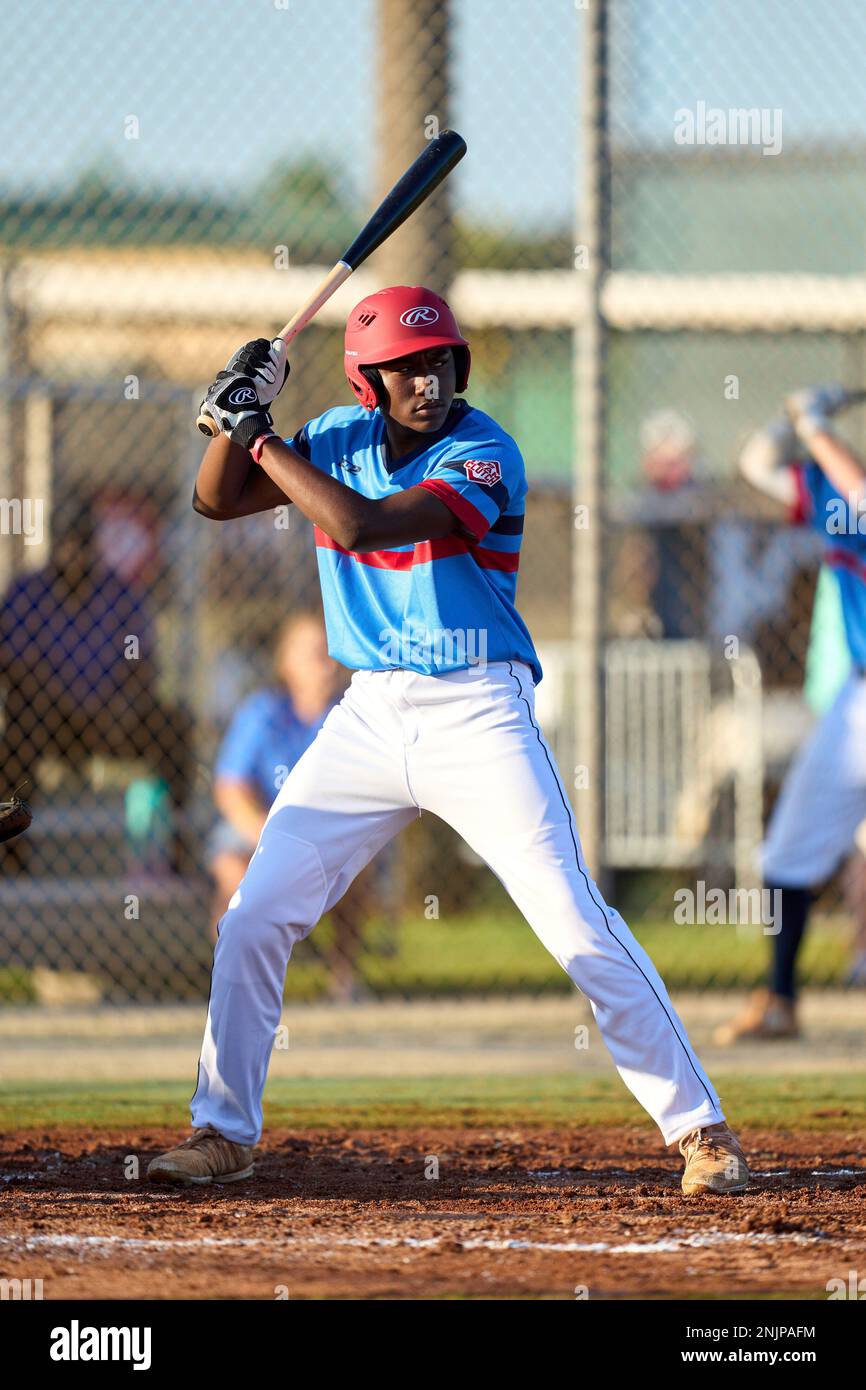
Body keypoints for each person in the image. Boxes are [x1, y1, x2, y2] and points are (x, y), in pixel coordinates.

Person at [146, 286, 748, 1194]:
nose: (427, 381)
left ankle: (701, 1129)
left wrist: (257, 433)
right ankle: (223, 1130)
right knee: (255, 915)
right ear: (367, 381)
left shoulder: (483, 451)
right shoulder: (333, 437)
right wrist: (238, 413)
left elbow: (366, 527)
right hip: (367, 712)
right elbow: (213, 500)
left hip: (478, 708)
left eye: (438, 363)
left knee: (575, 920)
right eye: (404, 368)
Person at [716, 386, 866, 1043]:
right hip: (856, 704)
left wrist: (815, 422)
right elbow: (758, 462)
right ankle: (779, 998)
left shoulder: (851, 490)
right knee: (787, 852)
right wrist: (792, 418)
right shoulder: (837, 495)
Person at [0, 490, 193, 874]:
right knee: (21, 720)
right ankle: (13, 853)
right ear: (55, 544)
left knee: (173, 724)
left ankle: (178, 846)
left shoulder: (118, 592)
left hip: (110, 717)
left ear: (94, 545)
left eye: (82, 543)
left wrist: (125, 700)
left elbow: (142, 662)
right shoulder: (28, 591)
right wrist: (53, 696)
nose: (74, 553)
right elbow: (13, 664)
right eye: (67, 543)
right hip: (48, 719)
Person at [207, 609, 373, 1000]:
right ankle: (234, 984)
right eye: (314, 654)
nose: (327, 664)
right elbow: (230, 789)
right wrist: (271, 839)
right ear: (285, 663)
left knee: (358, 869)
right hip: (260, 827)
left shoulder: (349, 715)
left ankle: (343, 978)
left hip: (324, 831)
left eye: (331, 653)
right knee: (232, 871)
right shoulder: (261, 712)